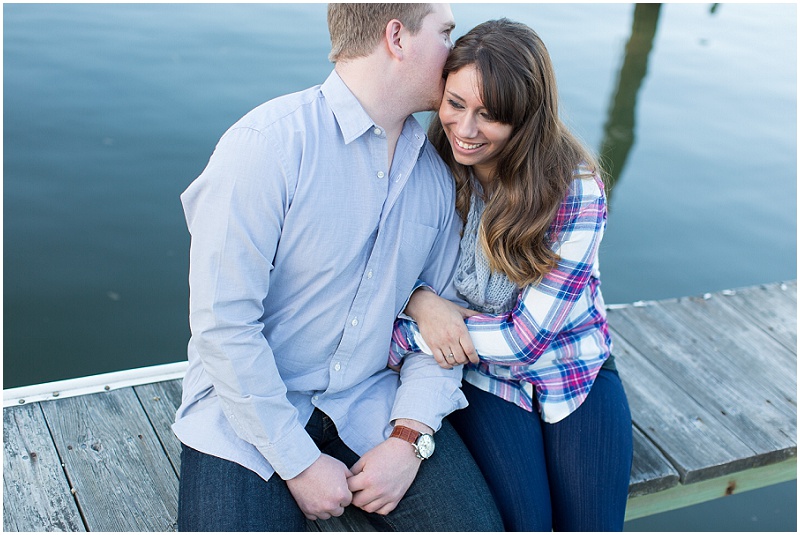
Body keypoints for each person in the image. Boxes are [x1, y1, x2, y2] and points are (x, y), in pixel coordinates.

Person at [173, 4, 502, 532]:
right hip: (247, 416)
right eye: (445, 33)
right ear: (397, 37)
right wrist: (298, 462)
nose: (454, 51)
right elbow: (223, 325)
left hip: (372, 405)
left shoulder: (437, 178)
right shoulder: (266, 147)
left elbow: (438, 338)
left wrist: (409, 439)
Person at [389, 18, 634, 531]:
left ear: (526, 119)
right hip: (484, 377)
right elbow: (388, 271)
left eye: (490, 116)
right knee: (526, 523)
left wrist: (410, 331)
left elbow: (524, 341)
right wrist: (420, 300)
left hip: (571, 365)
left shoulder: (575, 191)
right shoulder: (427, 168)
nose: (465, 129)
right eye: (455, 104)